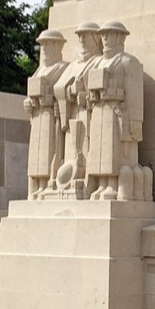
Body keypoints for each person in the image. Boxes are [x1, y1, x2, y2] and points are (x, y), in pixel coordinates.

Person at [85, 22, 148, 200]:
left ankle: (113, 185)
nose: (104, 38)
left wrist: (135, 121)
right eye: (103, 34)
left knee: (115, 150)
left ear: (120, 37)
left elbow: (135, 95)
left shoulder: (128, 61)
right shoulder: (97, 62)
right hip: (99, 110)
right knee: (99, 150)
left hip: (117, 112)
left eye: (109, 34)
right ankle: (102, 183)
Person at [47, 22, 102, 197]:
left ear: (95, 37)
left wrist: (86, 95)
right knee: (71, 150)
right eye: (79, 35)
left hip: (88, 114)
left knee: (85, 148)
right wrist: (70, 91)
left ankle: (87, 182)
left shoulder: (98, 61)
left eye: (85, 35)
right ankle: (67, 182)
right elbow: (58, 87)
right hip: (71, 113)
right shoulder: (72, 65)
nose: (82, 39)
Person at [24, 30, 68, 199]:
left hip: (50, 115)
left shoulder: (62, 68)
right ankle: (35, 186)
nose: (45, 48)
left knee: (49, 151)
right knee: (36, 154)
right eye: (43, 45)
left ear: (58, 46)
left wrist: (50, 100)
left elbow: (63, 93)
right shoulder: (39, 70)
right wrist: (28, 102)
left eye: (49, 44)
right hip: (37, 116)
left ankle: (45, 185)